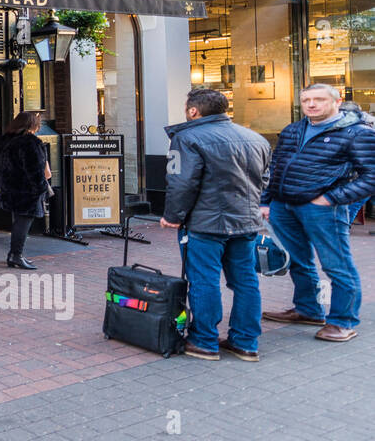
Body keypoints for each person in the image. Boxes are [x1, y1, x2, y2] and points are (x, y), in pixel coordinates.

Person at [160, 88, 272, 360]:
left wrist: (173, 217)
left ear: (193, 111)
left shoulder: (187, 137)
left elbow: (181, 183)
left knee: (204, 281)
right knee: (245, 281)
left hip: (205, 224)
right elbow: (265, 179)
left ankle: (204, 341)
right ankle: (246, 343)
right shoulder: (255, 138)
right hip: (246, 222)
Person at [260, 83, 375, 343]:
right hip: (283, 205)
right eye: (306, 100)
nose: (312, 104)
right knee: (298, 260)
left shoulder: (357, 133)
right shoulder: (293, 130)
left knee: (336, 264)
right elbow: (275, 166)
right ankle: (308, 310)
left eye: (319, 99)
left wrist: (330, 199)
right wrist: (266, 201)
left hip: (323, 209)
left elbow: (372, 176)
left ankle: (342, 322)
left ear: (337, 101)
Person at [0, 111, 51, 270]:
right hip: (27, 191)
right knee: (23, 224)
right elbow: (35, 171)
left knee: (18, 222)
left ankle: (15, 255)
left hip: (10, 189)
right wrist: (41, 189)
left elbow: (1, 167)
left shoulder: (6, 141)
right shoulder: (31, 143)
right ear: (32, 125)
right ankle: (16, 255)